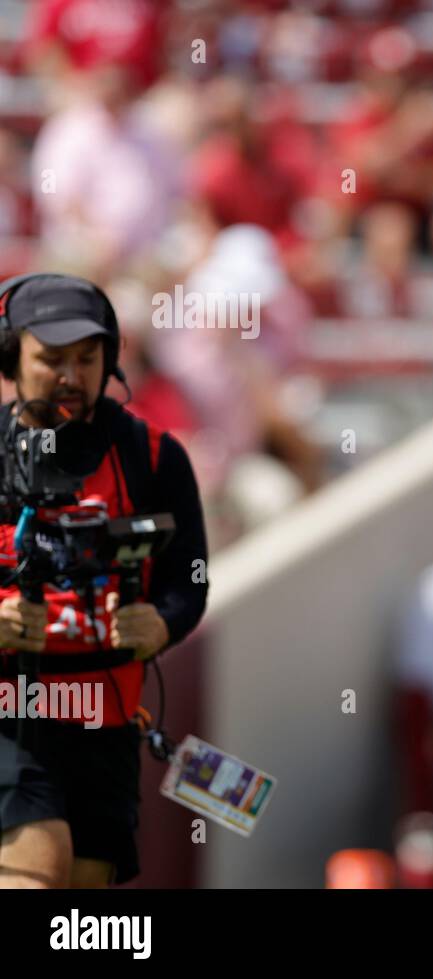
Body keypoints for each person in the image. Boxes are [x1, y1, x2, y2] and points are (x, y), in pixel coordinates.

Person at [0, 273, 208, 888]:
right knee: (36, 868)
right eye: (52, 359)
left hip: (105, 719)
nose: (71, 375)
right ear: (12, 356)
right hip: (11, 710)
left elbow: (189, 578)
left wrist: (163, 622)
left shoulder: (153, 456)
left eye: (87, 359)